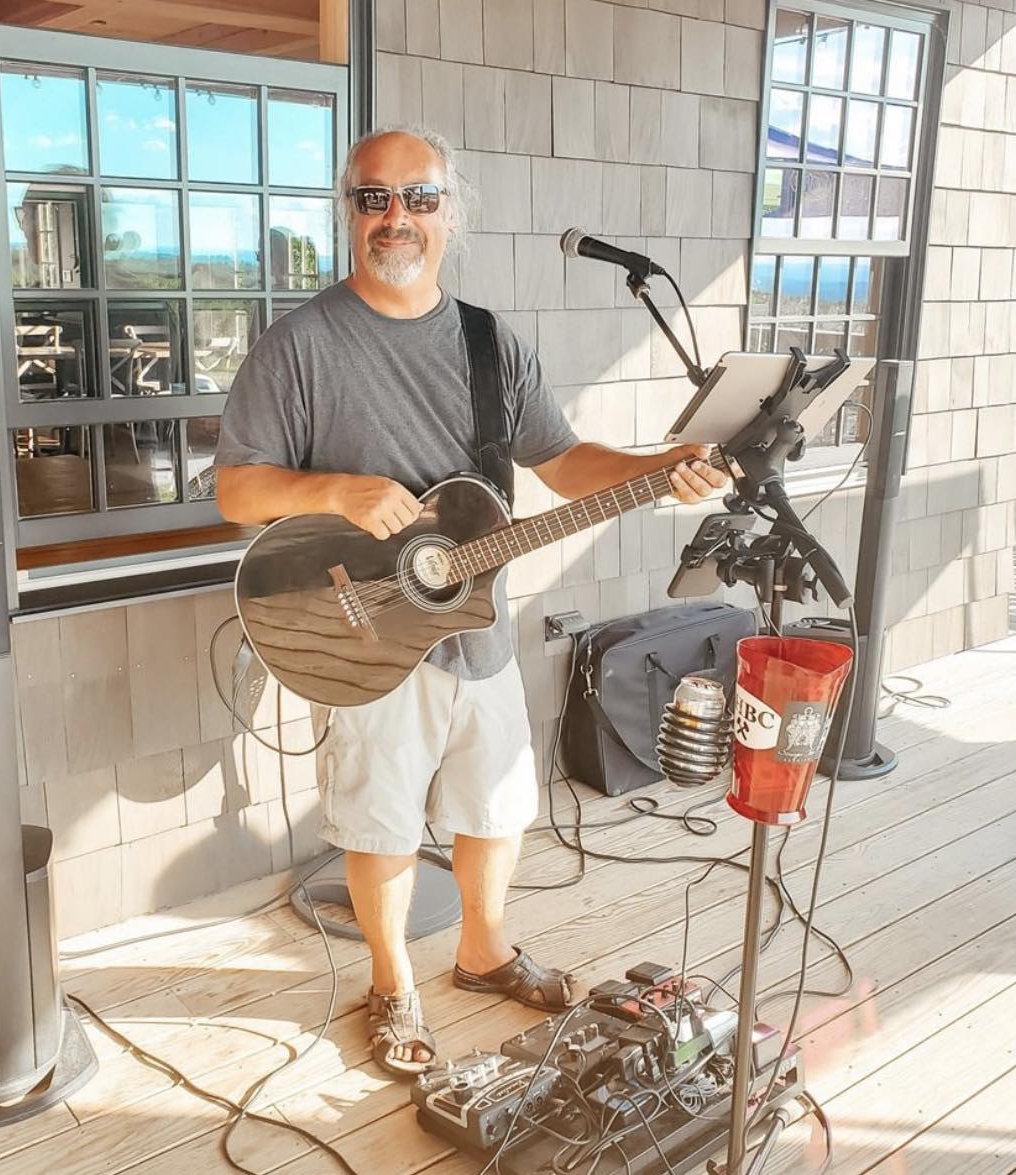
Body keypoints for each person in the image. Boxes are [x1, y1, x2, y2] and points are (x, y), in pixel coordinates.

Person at [214, 127, 729, 1077]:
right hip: (367, 630)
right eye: (374, 199)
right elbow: (237, 490)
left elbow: (566, 462)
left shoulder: (490, 341)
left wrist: (662, 467)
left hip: (476, 618)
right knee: (381, 816)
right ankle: (391, 983)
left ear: (451, 211)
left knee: (497, 801)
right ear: (349, 213)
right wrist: (334, 490)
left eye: (417, 197)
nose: (395, 217)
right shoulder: (301, 345)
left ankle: (483, 954)